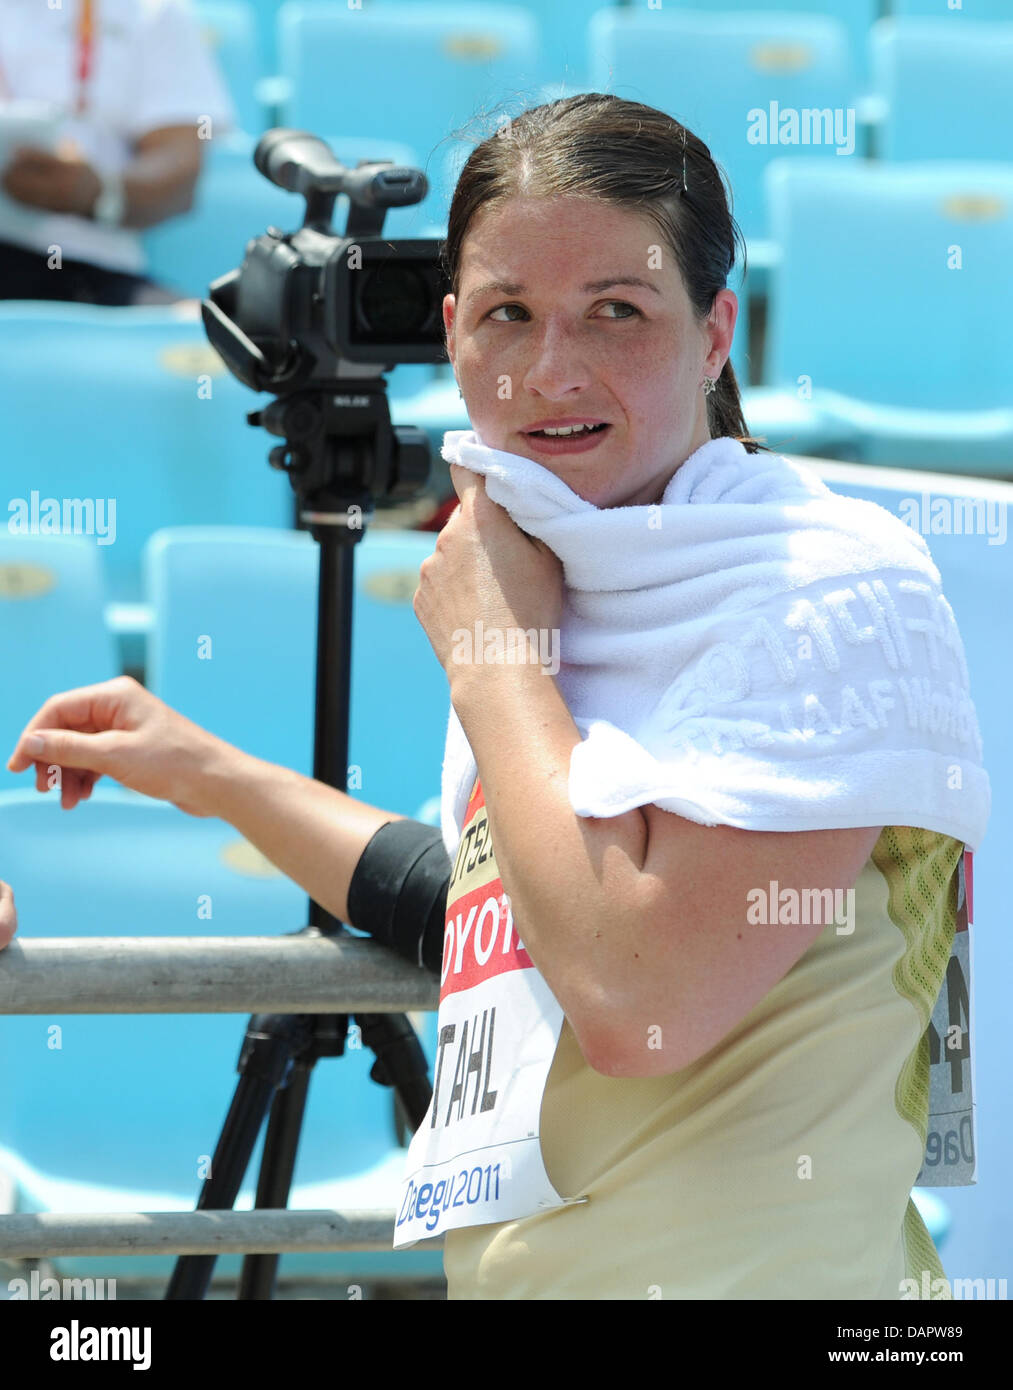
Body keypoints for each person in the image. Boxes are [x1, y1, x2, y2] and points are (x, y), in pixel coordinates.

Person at [2, 94, 991, 1301]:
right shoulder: (554, 578)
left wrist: (489, 649)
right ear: (451, 328)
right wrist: (212, 773)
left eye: (615, 313)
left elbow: (635, 1000)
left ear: (716, 333)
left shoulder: (829, 585)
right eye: (507, 314)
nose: (547, 370)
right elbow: (501, 912)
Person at [0, 0, 235, 304]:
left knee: (209, 337)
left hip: (84, 273)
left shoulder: (151, 12)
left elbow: (180, 172)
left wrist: (99, 193)